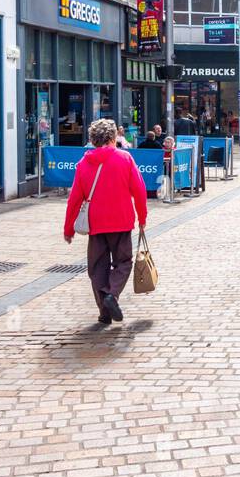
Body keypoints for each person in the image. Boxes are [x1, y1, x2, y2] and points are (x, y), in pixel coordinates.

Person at [64, 119, 149, 324]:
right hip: (121, 219)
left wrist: (69, 228)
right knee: (123, 262)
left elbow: (74, 198)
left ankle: (104, 313)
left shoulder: (84, 164)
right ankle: (112, 294)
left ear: (92, 140)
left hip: (96, 223)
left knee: (97, 268)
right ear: (113, 138)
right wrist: (142, 217)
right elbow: (139, 190)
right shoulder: (125, 158)